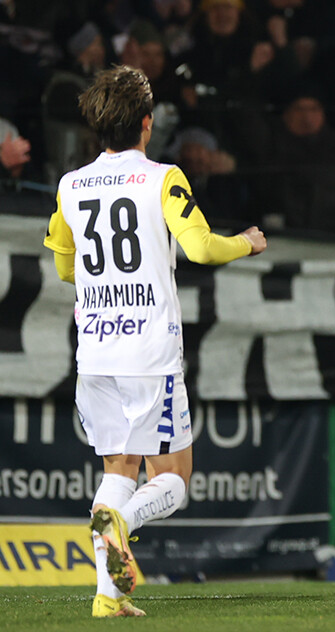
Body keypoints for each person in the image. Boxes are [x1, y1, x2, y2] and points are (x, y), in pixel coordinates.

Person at [42, 65, 266, 618]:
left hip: (94, 352)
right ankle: (124, 525)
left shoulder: (70, 186)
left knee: (117, 470)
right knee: (172, 479)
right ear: (147, 124)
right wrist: (247, 242)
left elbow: (66, 266)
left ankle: (107, 597)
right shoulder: (161, 177)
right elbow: (202, 250)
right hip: (148, 353)